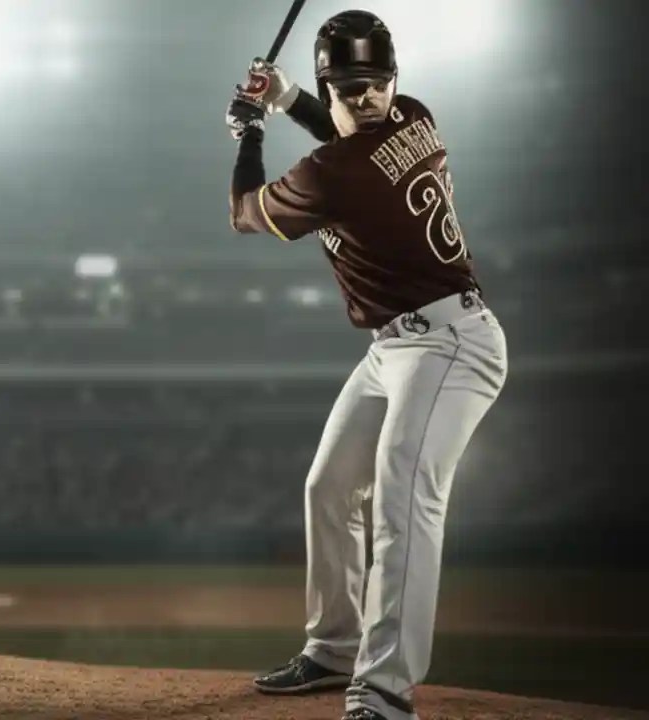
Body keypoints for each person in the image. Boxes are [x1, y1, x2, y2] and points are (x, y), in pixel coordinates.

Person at [225, 11, 508, 720]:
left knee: (404, 502)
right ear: (331, 84)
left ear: (392, 82)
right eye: (349, 88)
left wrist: (250, 129)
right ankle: (335, 648)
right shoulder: (413, 116)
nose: (365, 98)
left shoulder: (333, 171)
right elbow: (348, 141)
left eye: (375, 85)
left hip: (451, 345)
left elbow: (245, 211)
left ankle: (382, 693)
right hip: (395, 348)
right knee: (330, 487)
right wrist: (287, 98)